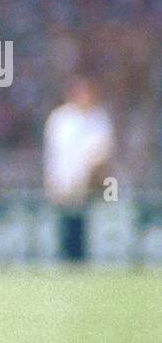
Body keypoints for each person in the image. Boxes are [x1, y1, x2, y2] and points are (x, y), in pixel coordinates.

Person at [44, 78, 113, 261]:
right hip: (64, 186)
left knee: (85, 230)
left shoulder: (99, 117)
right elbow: (54, 155)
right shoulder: (60, 119)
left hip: (89, 187)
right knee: (65, 230)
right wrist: (54, 181)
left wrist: (89, 182)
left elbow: (100, 155)